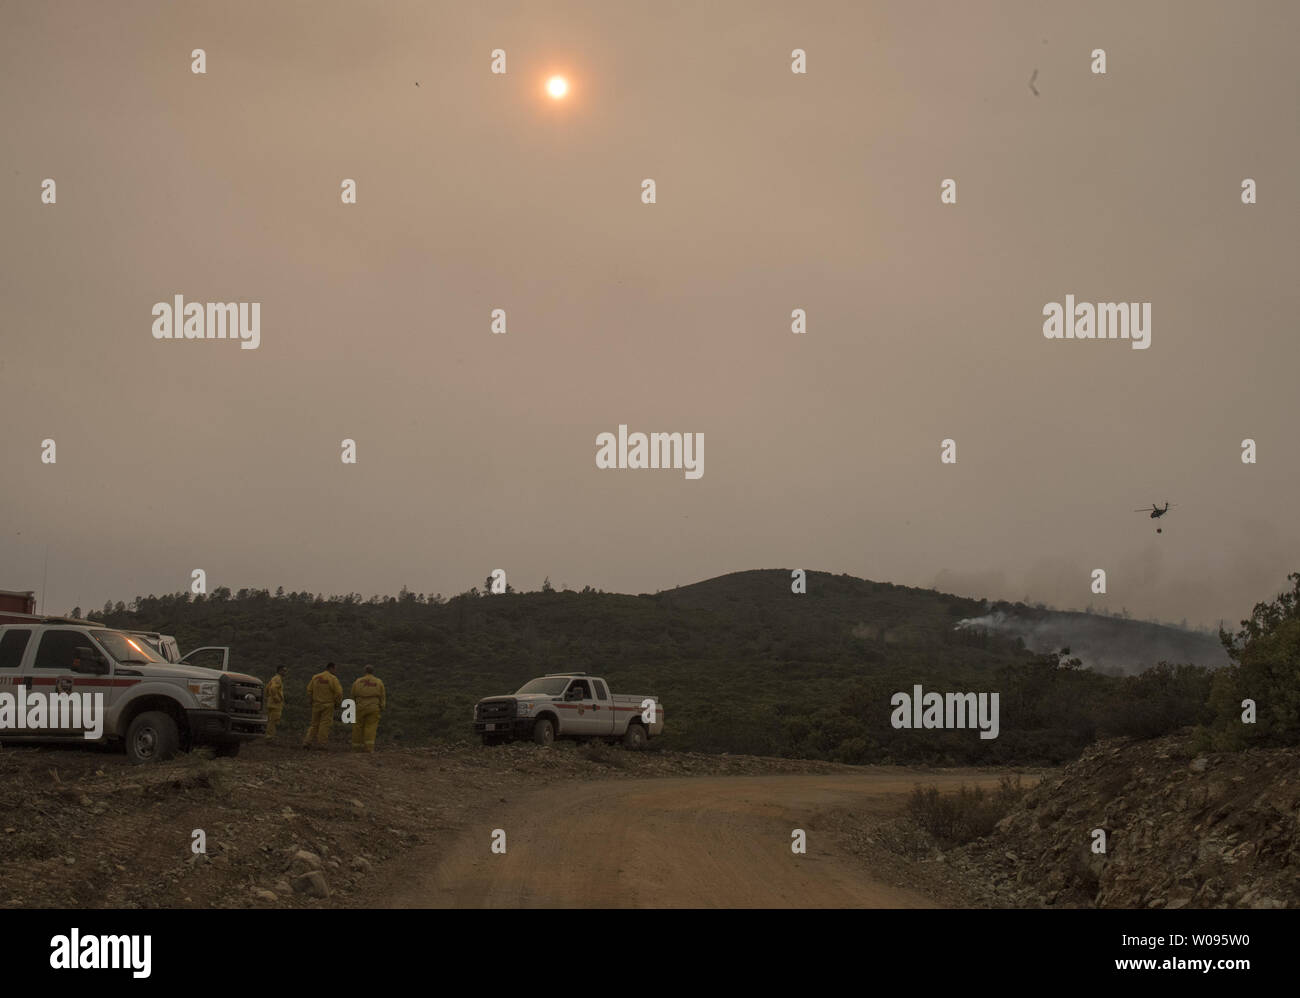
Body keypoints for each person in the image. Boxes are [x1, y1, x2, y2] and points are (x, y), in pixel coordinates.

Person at [302, 662, 343, 749]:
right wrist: (337, 703)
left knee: (314, 725)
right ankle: (321, 743)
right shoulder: (333, 678)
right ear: (331, 668)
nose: (336, 671)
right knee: (324, 725)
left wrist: (311, 701)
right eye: (335, 669)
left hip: (316, 704)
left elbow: (309, 690)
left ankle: (307, 742)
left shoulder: (315, 677)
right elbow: (339, 693)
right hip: (328, 705)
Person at [349, 665, 386, 753]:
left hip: (360, 706)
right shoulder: (378, 682)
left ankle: (356, 748)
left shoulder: (357, 682)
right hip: (373, 707)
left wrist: (352, 706)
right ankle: (369, 748)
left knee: (357, 726)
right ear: (373, 672)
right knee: (371, 727)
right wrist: (382, 707)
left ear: (365, 671)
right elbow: (382, 696)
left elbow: (352, 695)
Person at [264, 665, 286, 739]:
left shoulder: (273, 678)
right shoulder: (278, 679)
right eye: (284, 670)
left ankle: (268, 735)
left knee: (270, 720)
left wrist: (268, 697)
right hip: (275, 704)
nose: (285, 672)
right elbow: (273, 688)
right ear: (279, 671)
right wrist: (276, 698)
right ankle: (270, 736)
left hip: (271, 703)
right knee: (274, 721)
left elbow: (267, 688)